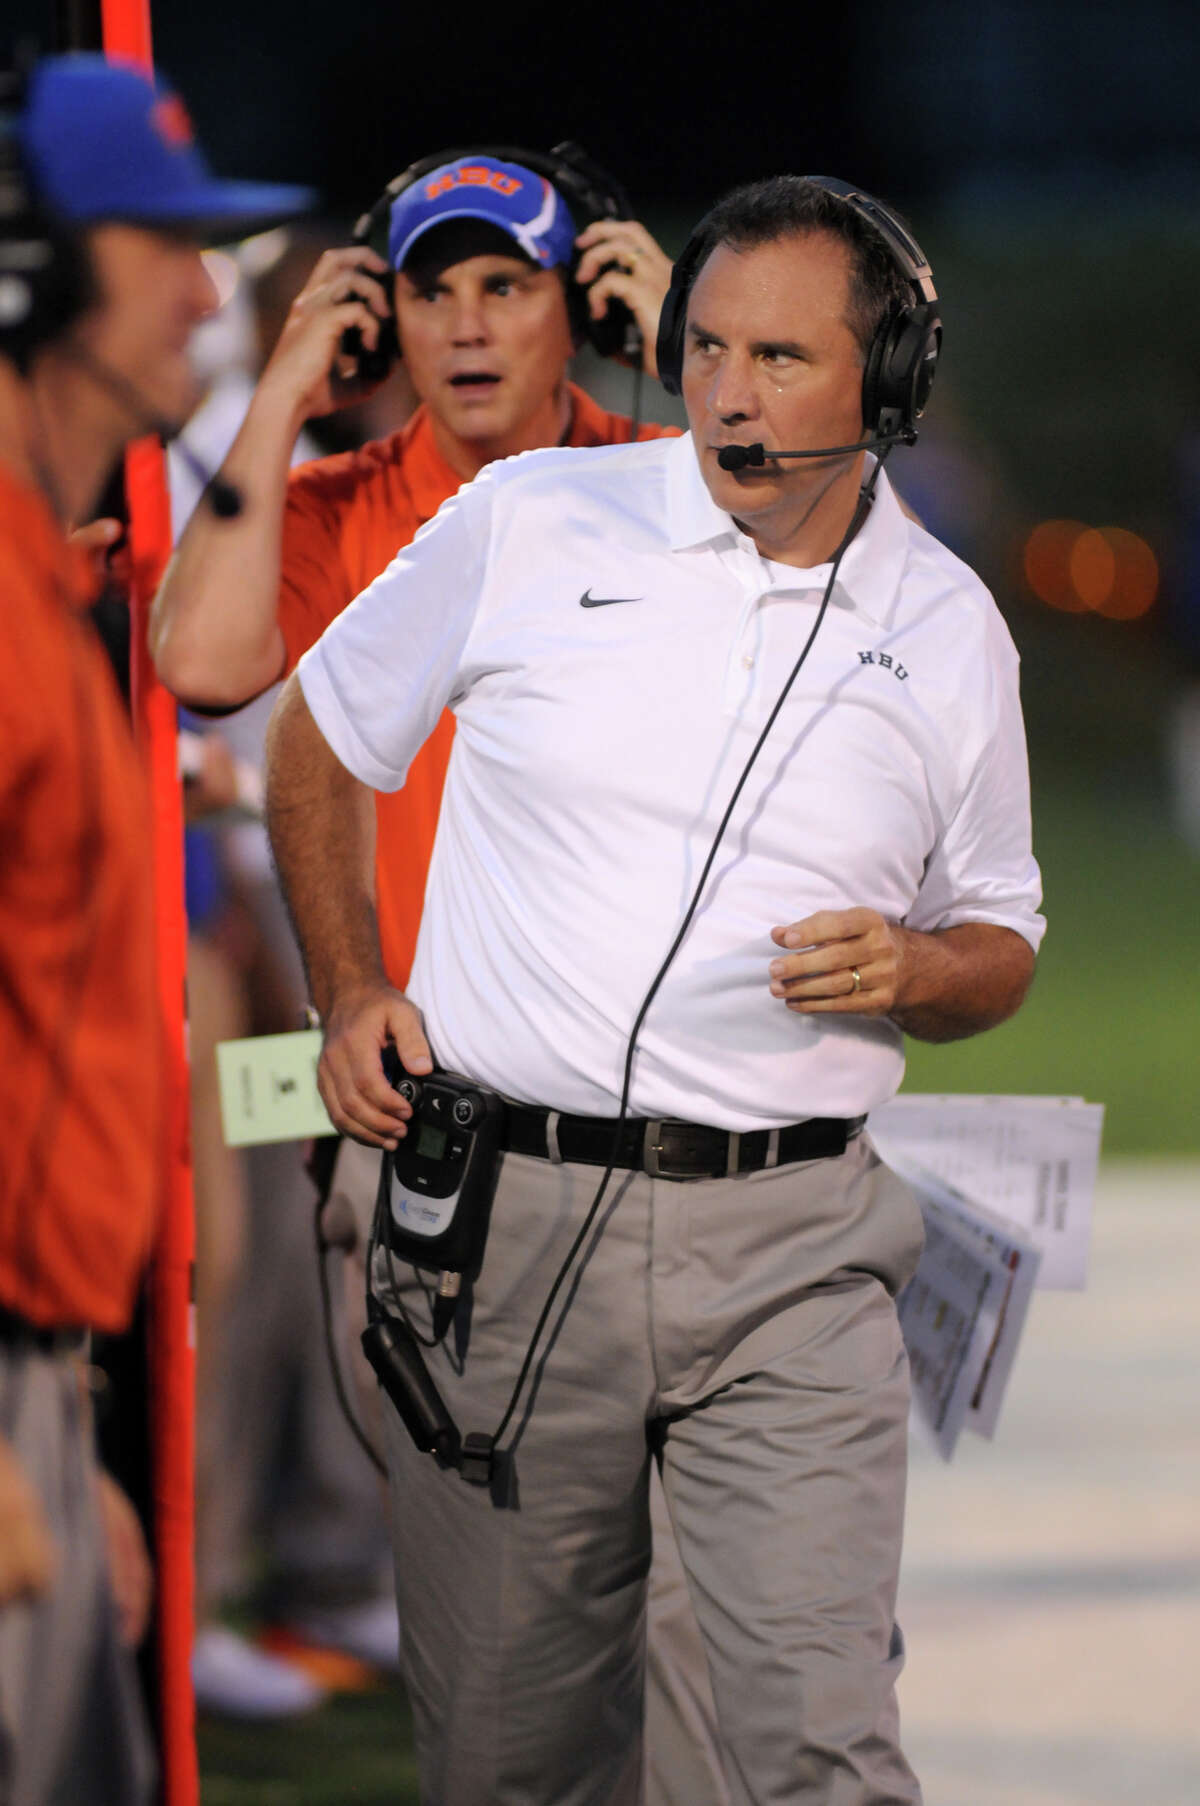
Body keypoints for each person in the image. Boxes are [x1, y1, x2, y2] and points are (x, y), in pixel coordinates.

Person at [263, 173, 1045, 1804]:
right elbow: (320, 734)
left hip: (795, 1252)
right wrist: (349, 988)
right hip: (506, 1219)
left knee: (813, 1748)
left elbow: (1002, 939)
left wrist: (913, 966)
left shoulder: (956, 632)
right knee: (515, 1760)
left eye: (780, 358)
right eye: (704, 351)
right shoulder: (536, 517)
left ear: (886, 379)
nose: (727, 395)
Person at [147, 149, 726, 1776]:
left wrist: (690, 347)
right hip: (428, 1140)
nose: (466, 329)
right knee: (493, 1646)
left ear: (580, 299)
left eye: (508, 287)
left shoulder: (676, 478)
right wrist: (274, 394)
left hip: (653, 1135)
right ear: (376, 315)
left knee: (688, 1623)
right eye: (429, 291)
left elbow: (841, 564)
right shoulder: (338, 504)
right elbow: (198, 657)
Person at [0, 52, 307, 1801]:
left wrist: (66, 1439)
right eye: (162, 248)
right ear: (29, 269)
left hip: (42, 1383)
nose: (206, 294)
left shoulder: (47, 561)